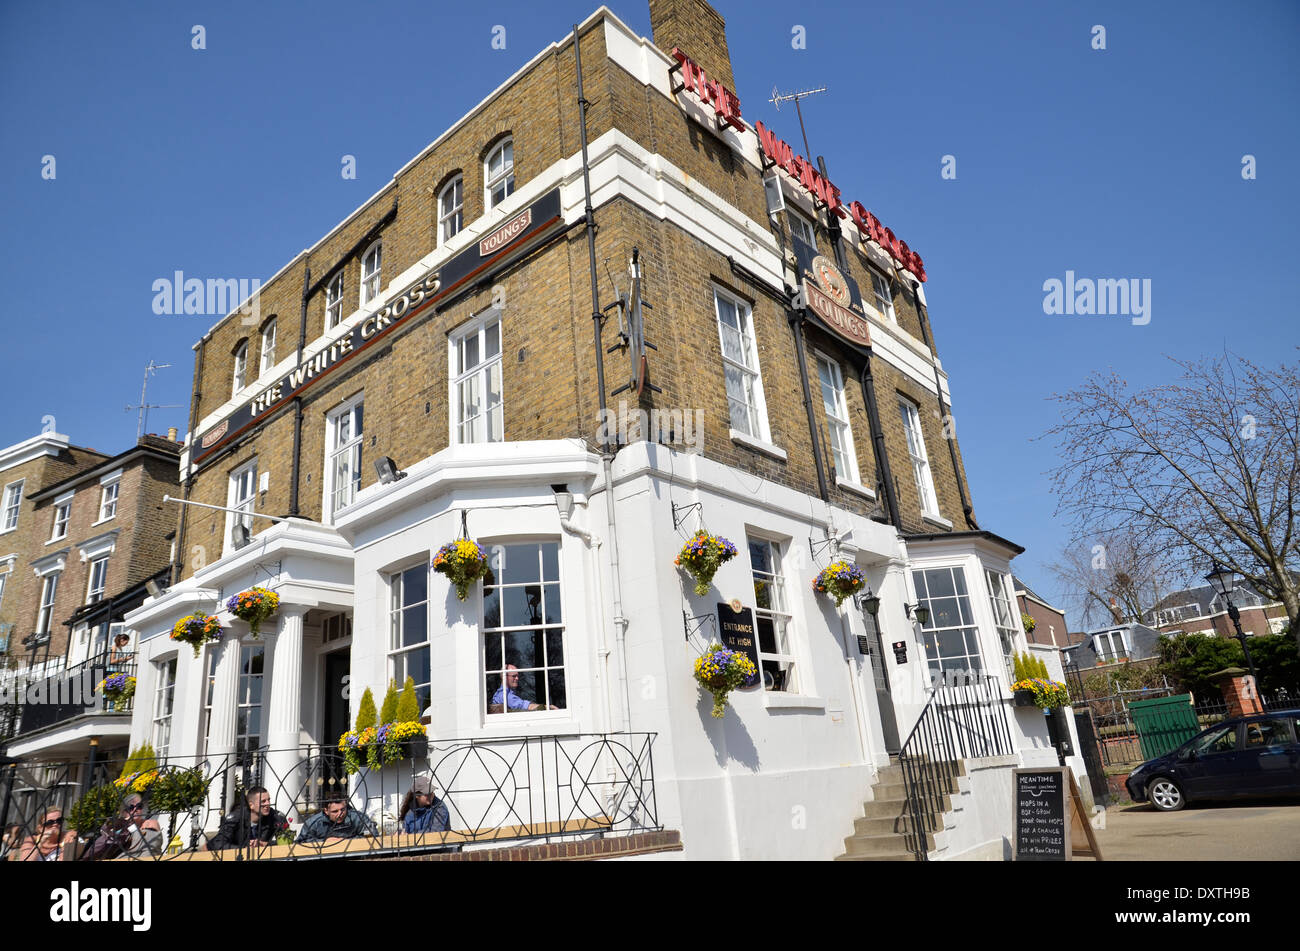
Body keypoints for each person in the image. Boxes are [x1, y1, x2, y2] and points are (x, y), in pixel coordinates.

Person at [206, 786, 287, 851]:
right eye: (263, 801)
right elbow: (218, 843)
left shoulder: (276, 816)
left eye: (269, 800)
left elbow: (288, 842)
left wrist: (264, 844)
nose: (268, 804)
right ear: (251, 805)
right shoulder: (236, 817)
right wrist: (244, 848)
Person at [85, 793, 163, 860]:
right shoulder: (119, 826)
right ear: (124, 811)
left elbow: (155, 848)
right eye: (131, 807)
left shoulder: (151, 823)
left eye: (139, 806)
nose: (135, 809)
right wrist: (126, 824)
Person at [295, 795, 377, 845]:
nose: (340, 814)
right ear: (326, 811)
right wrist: (324, 842)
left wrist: (345, 841)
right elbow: (300, 843)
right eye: (335, 811)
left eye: (343, 809)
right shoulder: (313, 822)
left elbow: (374, 836)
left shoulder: (358, 818)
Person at [489, 664, 557, 712]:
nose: (517, 678)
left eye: (517, 676)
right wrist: (548, 707)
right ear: (504, 677)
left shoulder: (505, 694)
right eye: (514, 676)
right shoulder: (504, 695)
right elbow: (525, 706)